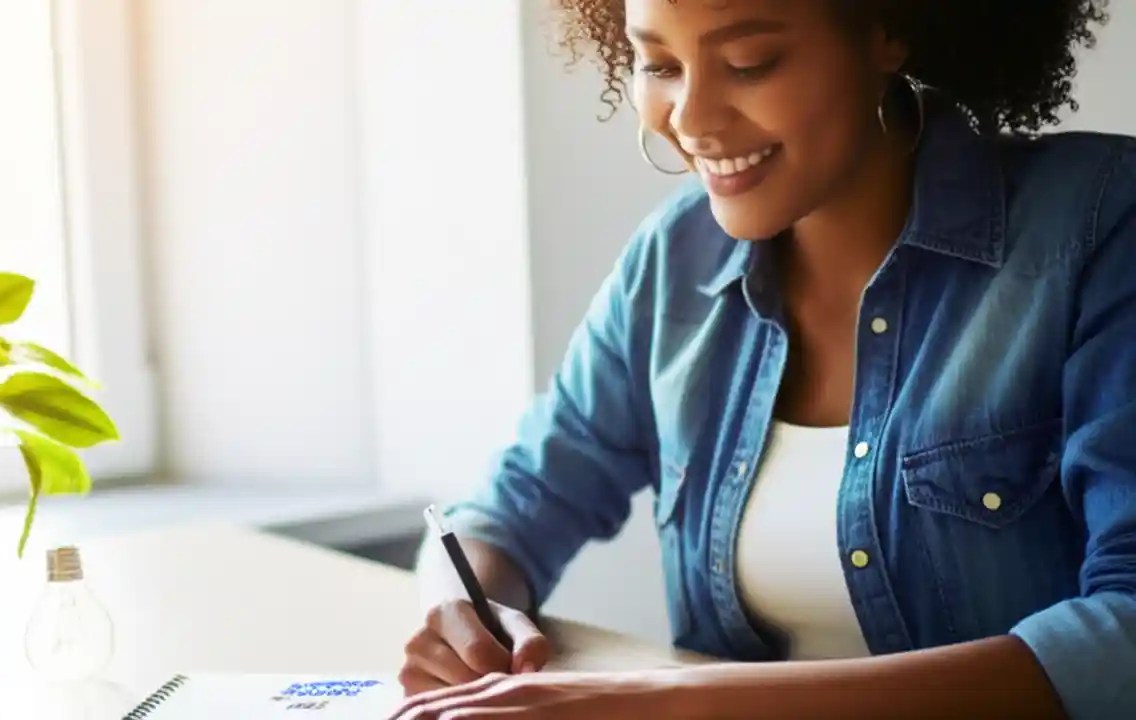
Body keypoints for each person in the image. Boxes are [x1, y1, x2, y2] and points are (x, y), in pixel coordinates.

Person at [392, 1, 1135, 718]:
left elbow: (1124, 636)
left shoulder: (1096, 228)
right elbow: (510, 506)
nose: (691, 118)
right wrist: (462, 606)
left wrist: (675, 703)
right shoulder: (673, 264)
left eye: (749, 62)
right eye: (659, 64)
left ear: (889, 28)